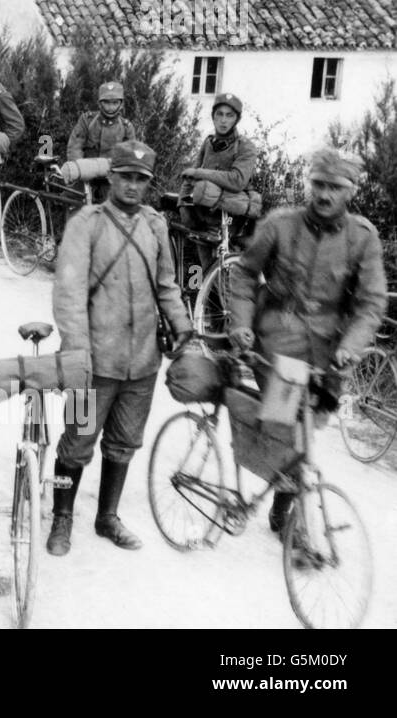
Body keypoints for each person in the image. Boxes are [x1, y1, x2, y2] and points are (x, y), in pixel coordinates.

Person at [227, 147, 387, 538]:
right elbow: (245, 276)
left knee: (307, 430)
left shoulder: (362, 237)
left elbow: (371, 303)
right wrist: (242, 325)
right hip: (278, 343)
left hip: (329, 352)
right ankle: (294, 521)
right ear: (309, 183)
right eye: (318, 184)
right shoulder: (280, 226)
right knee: (288, 428)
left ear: (350, 191)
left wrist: (352, 344)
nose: (324, 195)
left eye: (334, 187)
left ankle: (283, 506)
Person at [48, 140, 193, 556]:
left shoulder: (155, 225)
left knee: (125, 441)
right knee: (75, 442)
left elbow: (167, 284)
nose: (132, 186)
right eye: (125, 176)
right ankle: (62, 517)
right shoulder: (85, 223)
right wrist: (77, 351)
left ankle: (107, 516)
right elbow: (68, 293)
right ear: (111, 176)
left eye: (141, 179)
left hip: (141, 362)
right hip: (90, 360)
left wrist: (181, 324)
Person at [180, 92, 259, 266]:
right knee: (204, 269)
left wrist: (201, 173)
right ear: (213, 117)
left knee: (226, 270)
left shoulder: (245, 146)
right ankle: (203, 292)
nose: (224, 120)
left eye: (229, 115)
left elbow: (237, 180)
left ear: (237, 119)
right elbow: (189, 178)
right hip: (203, 216)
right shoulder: (208, 143)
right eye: (219, 114)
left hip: (230, 220)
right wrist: (183, 205)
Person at [66, 81, 136, 202]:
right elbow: (75, 147)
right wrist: (80, 170)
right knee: (74, 209)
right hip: (85, 179)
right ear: (100, 103)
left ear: (121, 104)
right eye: (106, 102)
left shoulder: (126, 128)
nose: (110, 107)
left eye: (115, 103)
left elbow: (129, 159)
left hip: (111, 183)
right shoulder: (87, 121)